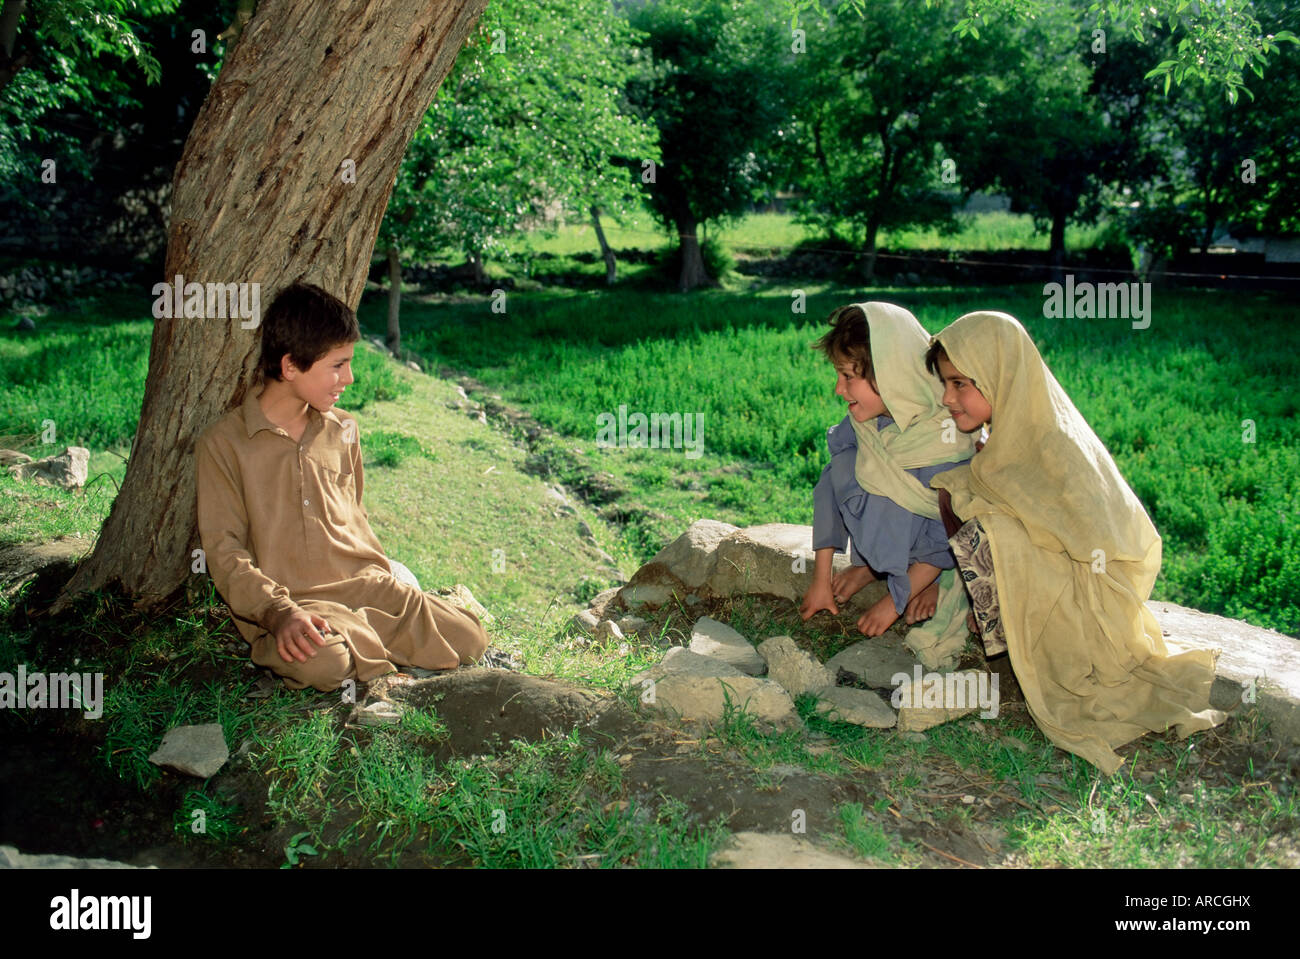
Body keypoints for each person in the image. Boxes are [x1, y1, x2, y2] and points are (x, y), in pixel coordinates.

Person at [925, 310, 1225, 775]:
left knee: (986, 524)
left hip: (1097, 593)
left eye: (960, 384)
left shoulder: (1049, 441)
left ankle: (1040, 653)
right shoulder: (1012, 429)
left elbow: (1093, 540)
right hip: (1068, 570)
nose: (947, 398)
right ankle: (1010, 646)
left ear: (999, 375)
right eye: (946, 384)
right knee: (963, 497)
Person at [195, 282, 489, 692]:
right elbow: (225, 554)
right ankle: (374, 643)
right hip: (298, 604)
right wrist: (278, 613)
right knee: (323, 664)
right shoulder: (222, 444)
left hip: (367, 587)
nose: (348, 378)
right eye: (337, 365)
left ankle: (368, 636)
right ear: (291, 366)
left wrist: (388, 580)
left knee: (470, 638)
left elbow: (356, 517)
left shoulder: (345, 429)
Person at [799, 302, 974, 663]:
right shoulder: (865, 423)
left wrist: (894, 601)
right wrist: (820, 580)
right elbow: (829, 487)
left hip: (943, 546)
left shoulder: (946, 439)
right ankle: (873, 565)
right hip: (910, 539)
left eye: (849, 376)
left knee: (940, 513)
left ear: (893, 374)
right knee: (846, 465)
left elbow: (951, 533)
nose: (838, 389)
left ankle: (932, 579)